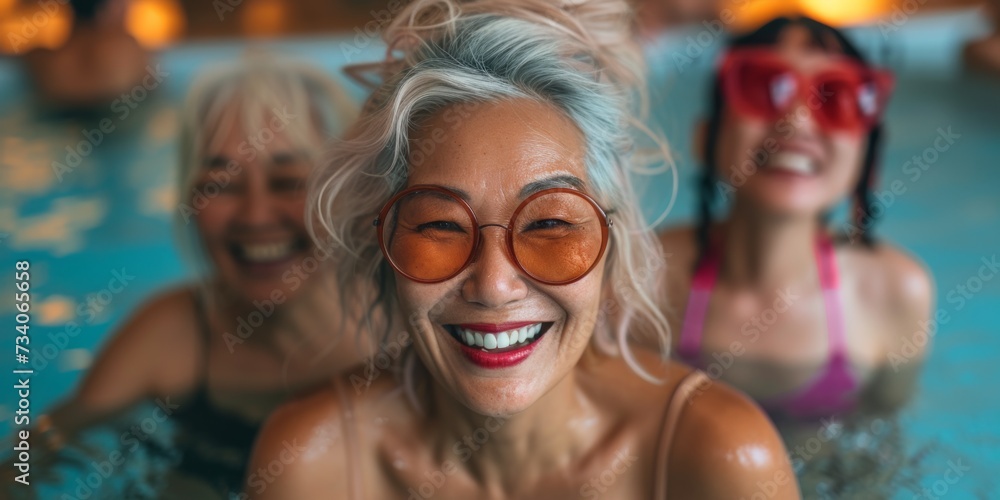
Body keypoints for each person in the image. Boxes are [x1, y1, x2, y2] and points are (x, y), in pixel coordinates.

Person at [246, 1, 798, 498]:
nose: (492, 284)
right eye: (440, 225)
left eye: (549, 224)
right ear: (383, 243)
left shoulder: (717, 458)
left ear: (611, 244)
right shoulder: (311, 464)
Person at [9, 55, 370, 499]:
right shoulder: (173, 335)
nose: (255, 215)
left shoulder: (412, 343)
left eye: (288, 180)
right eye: (220, 184)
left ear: (353, 194)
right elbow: (30, 462)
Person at [659, 17, 934, 424]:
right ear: (706, 138)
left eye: (835, 98)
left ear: (867, 159)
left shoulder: (895, 293)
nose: (797, 121)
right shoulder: (643, 277)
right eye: (765, 88)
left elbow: (883, 451)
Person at [23, 0, 152, 112]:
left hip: (58, 117)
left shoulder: (40, 60)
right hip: (114, 122)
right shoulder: (129, 52)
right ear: (108, 8)